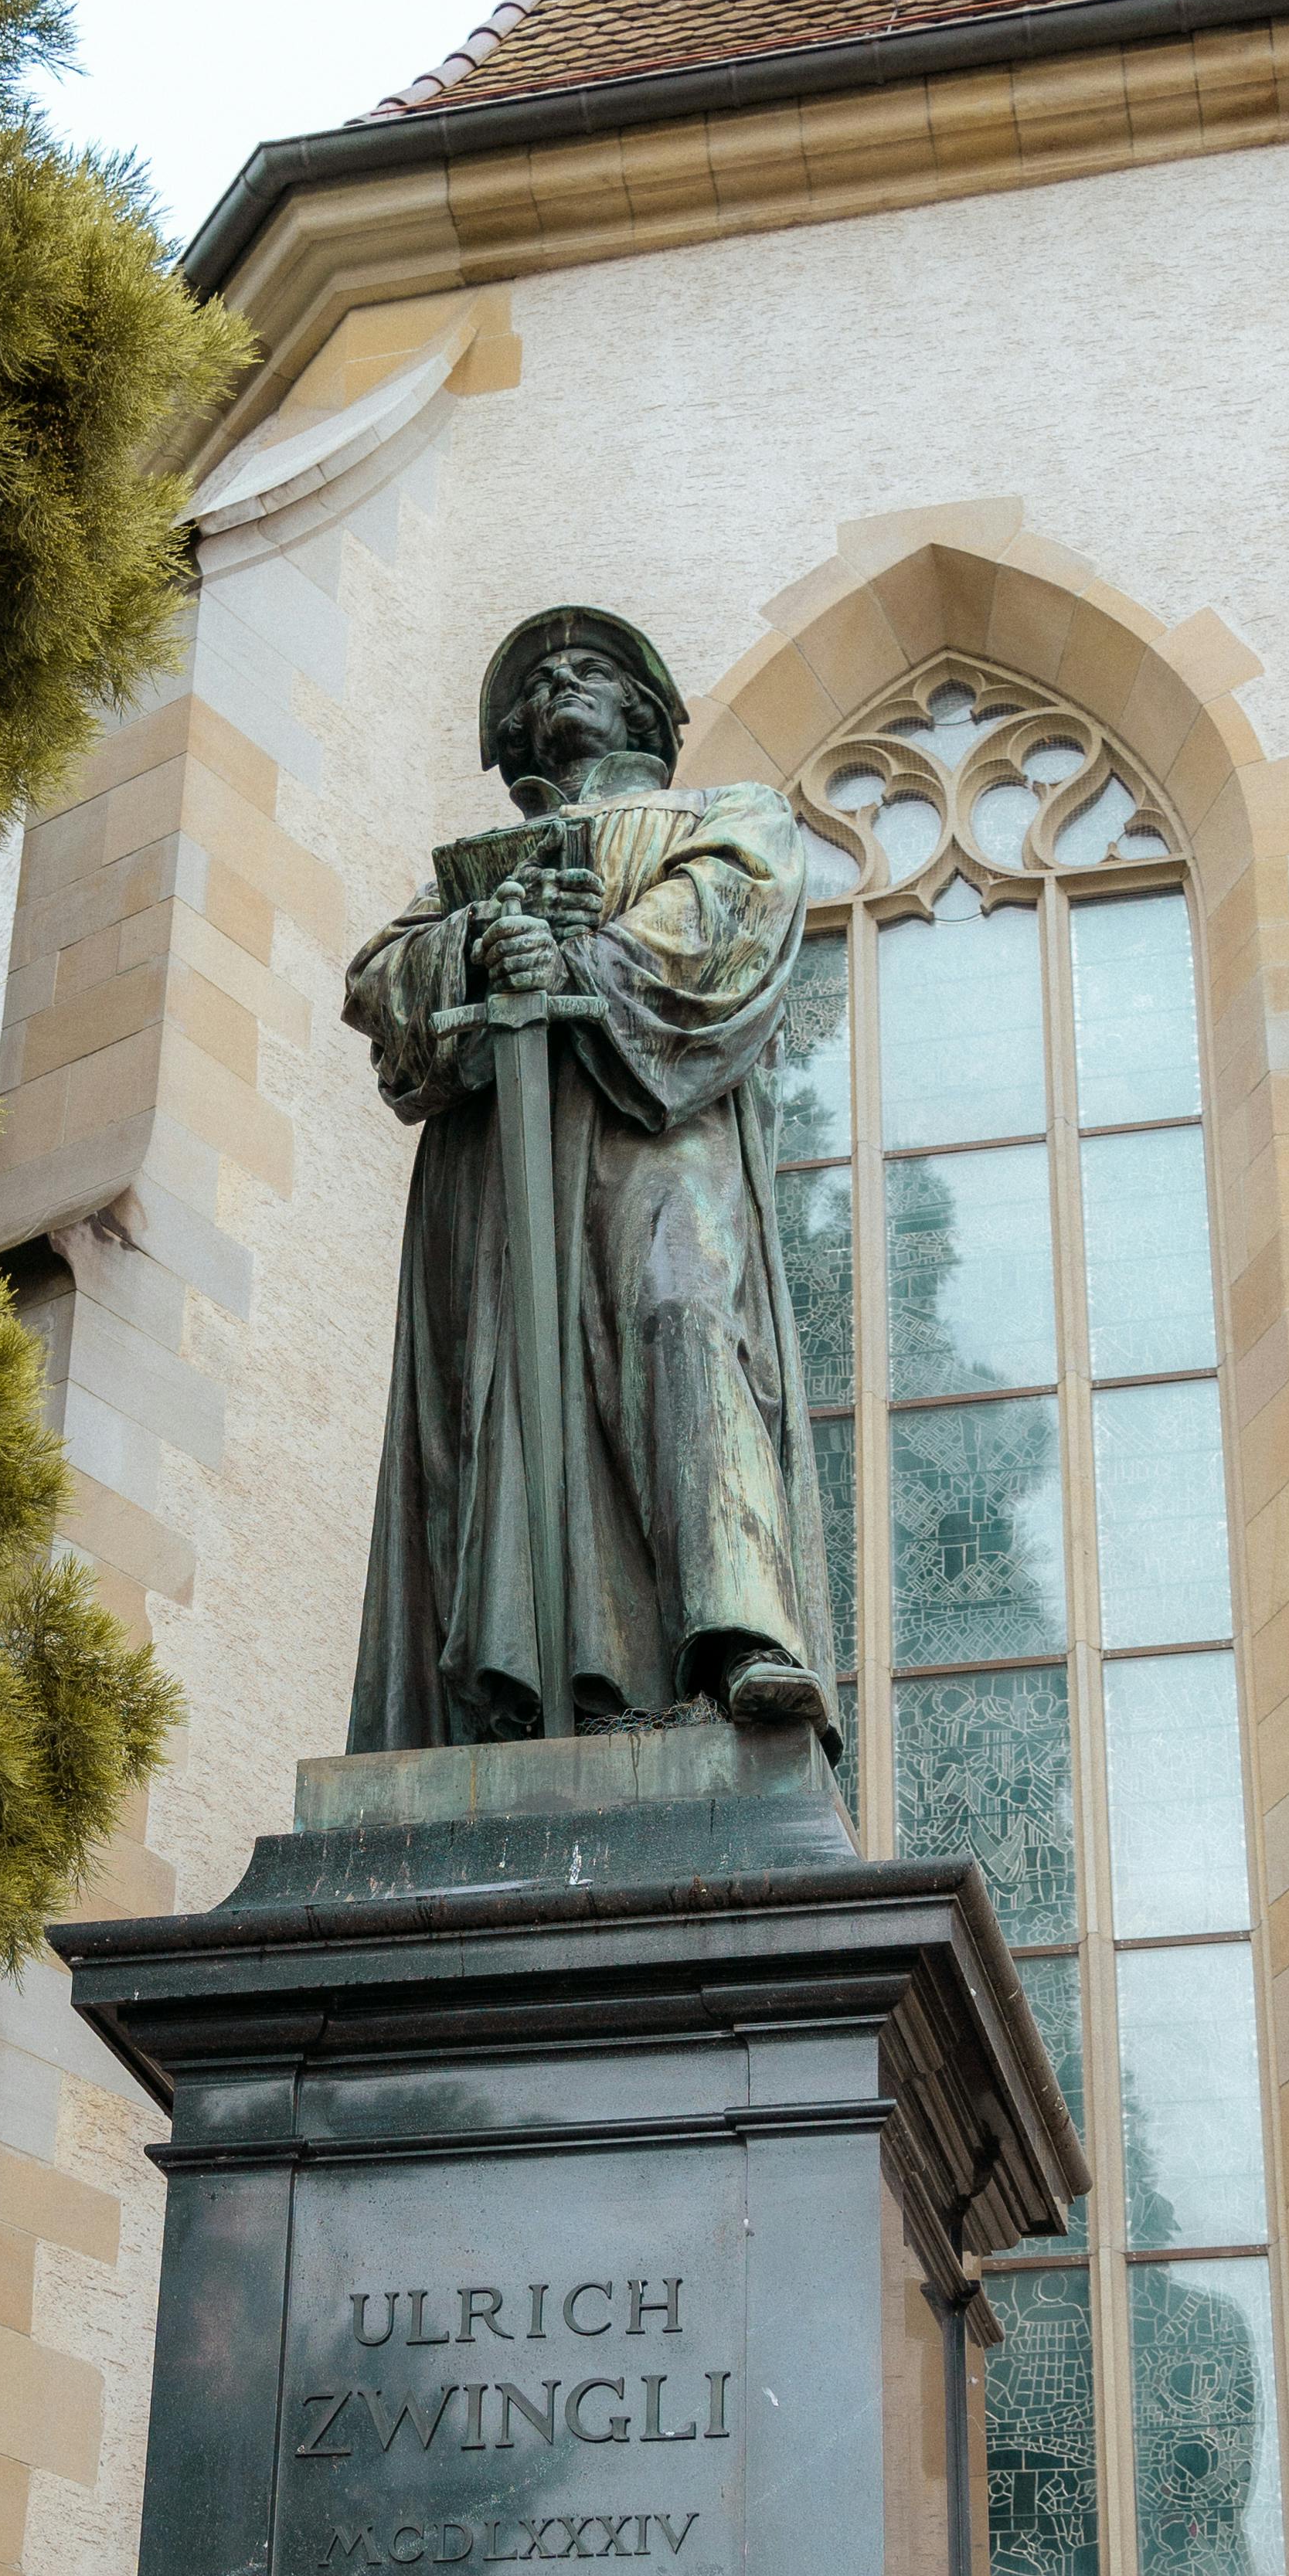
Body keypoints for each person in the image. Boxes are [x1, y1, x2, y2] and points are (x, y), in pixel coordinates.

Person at [343, 603, 838, 1751]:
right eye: (538, 682)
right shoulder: (470, 876)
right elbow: (377, 984)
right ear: (515, 736)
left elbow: (726, 915)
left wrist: (576, 954)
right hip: (500, 1174)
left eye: (589, 670)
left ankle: (739, 1641)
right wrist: (479, 945)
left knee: (683, 1311)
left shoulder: (726, 814)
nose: (559, 684)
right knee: (509, 1397)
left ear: (645, 711)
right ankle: (518, 1697)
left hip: (651, 1127)